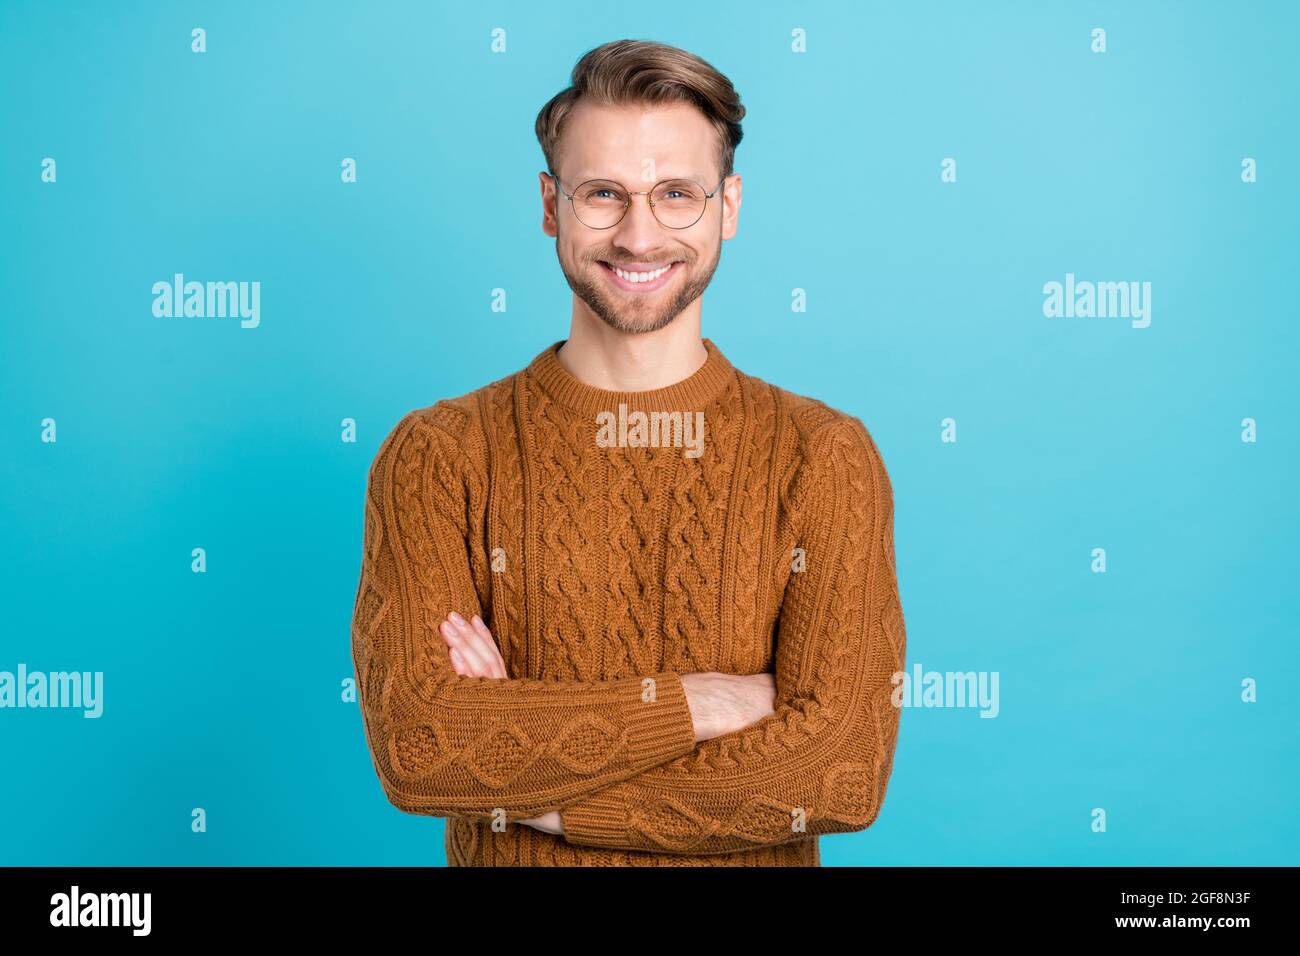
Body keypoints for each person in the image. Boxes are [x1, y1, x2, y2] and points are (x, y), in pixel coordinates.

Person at [351, 38, 906, 867]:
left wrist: (541, 793)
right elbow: (423, 747)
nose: (640, 236)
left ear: (728, 207)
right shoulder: (438, 457)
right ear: (551, 205)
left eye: (676, 194)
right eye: (603, 194)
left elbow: (838, 774)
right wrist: (698, 705)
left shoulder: (823, 457)